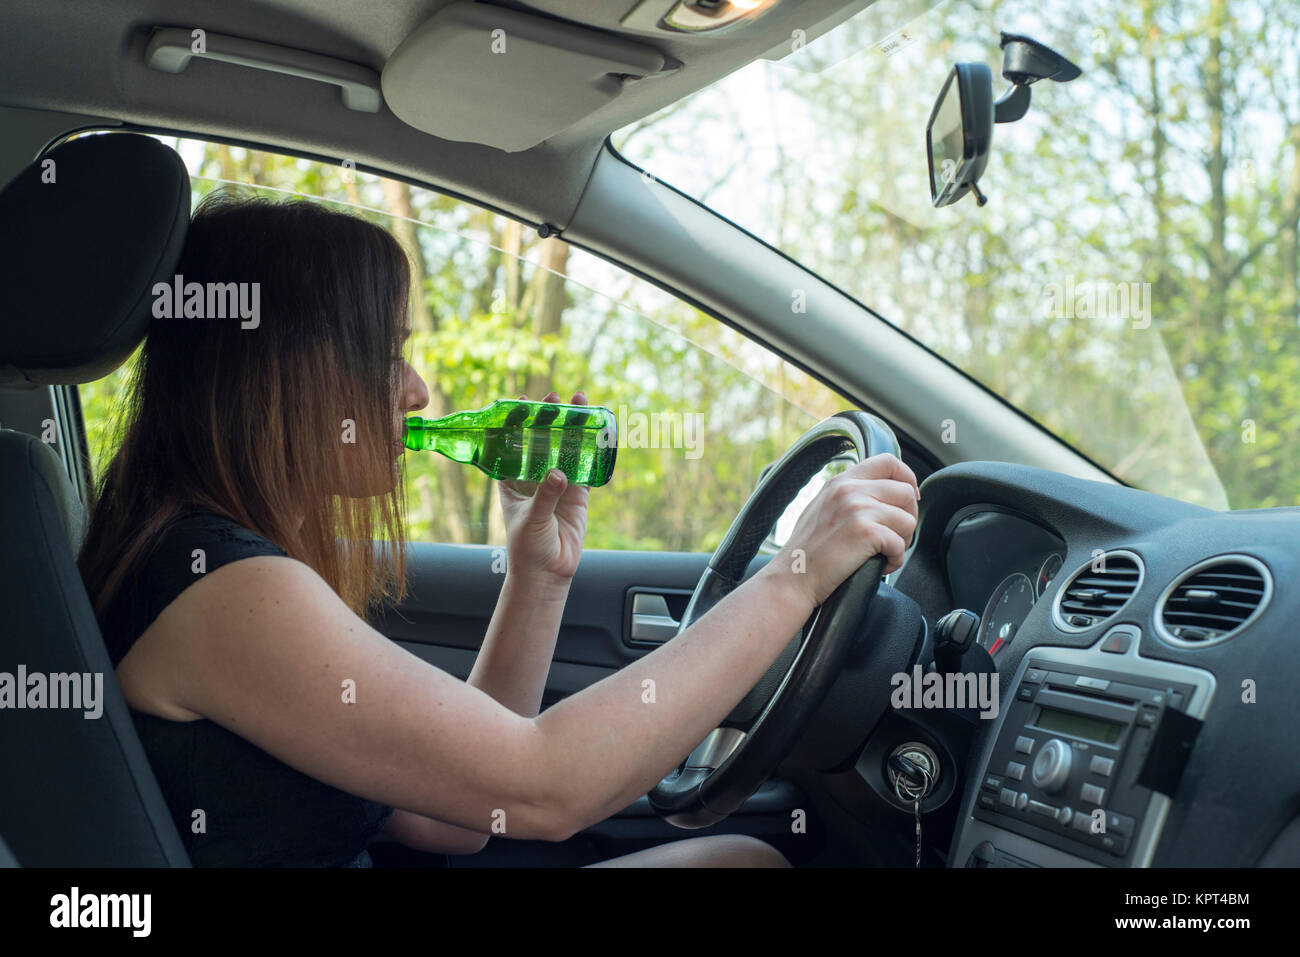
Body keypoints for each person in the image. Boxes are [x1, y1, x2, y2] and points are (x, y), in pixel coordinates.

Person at [78, 191, 919, 867]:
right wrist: (796, 576)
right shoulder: (229, 590)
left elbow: (457, 821)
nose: (414, 391)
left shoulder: (210, 560)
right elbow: (545, 787)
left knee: (739, 858)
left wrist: (538, 575)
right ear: (286, 372)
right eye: (385, 354)